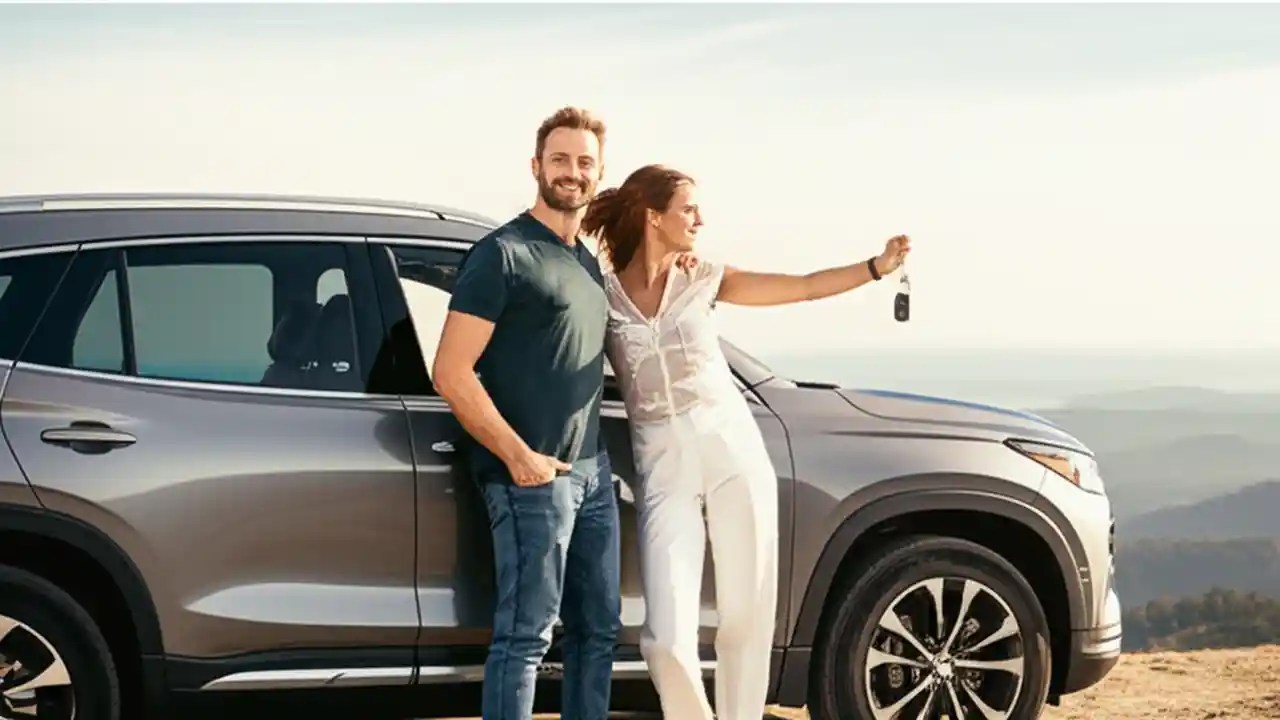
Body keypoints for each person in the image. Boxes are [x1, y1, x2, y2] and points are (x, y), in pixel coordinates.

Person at [580, 164, 910, 720]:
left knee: (746, 616)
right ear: (652, 216)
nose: (700, 220)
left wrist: (876, 268)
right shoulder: (603, 291)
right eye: (689, 209)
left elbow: (801, 288)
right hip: (663, 471)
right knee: (665, 638)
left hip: (731, 450)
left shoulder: (704, 275)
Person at [432, 106, 619, 720]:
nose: (572, 172)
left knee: (598, 632)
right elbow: (452, 372)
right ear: (536, 166)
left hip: (591, 475)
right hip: (530, 477)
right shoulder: (503, 255)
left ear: (598, 173)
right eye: (560, 159)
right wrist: (520, 458)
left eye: (584, 162)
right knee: (526, 637)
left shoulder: (587, 260)